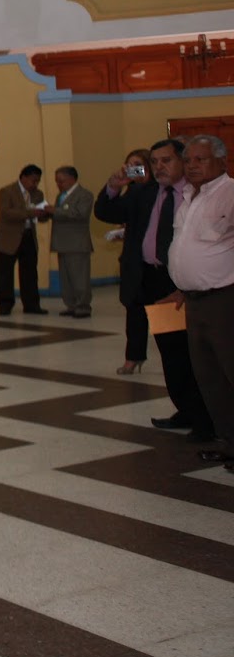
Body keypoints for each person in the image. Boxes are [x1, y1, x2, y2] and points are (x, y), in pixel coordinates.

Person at [94, 139, 210, 435]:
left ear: (183, 161)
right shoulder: (144, 193)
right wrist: (113, 185)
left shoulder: (197, 194)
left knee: (195, 352)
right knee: (170, 351)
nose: (159, 166)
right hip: (152, 280)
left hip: (185, 281)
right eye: (155, 161)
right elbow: (105, 212)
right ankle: (185, 409)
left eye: (166, 160)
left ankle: (206, 417)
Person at [169, 135, 234, 468]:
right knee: (210, 378)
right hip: (194, 302)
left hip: (224, 300)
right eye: (189, 159)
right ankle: (229, 442)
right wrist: (184, 283)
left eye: (201, 159)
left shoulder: (230, 193)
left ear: (222, 161)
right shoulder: (186, 196)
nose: (192, 165)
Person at [113, 148, 154, 371]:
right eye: (130, 165)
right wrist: (116, 187)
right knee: (135, 312)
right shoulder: (131, 192)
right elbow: (109, 212)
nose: (133, 168)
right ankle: (133, 356)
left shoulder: (159, 190)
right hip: (134, 262)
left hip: (157, 265)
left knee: (162, 315)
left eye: (138, 164)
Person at [0, 165, 49, 315]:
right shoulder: (7, 191)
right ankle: (5, 304)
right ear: (23, 177)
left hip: (29, 236)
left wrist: (44, 214)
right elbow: (6, 213)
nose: (35, 184)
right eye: (33, 180)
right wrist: (30, 213)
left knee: (29, 273)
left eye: (38, 181)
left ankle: (31, 305)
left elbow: (39, 217)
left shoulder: (38, 194)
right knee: (4, 273)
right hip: (8, 238)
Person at [48, 166, 94, 319]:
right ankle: (71, 304)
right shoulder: (61, 196)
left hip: (77, 244)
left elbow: (80, 214)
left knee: (79, 277)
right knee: (66, 279)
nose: (58, 184)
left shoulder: (84, 195)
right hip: (62, 243)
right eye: (57, 181)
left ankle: (83, 306)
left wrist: (55, 211)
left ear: (72, 179)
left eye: (61, 181)